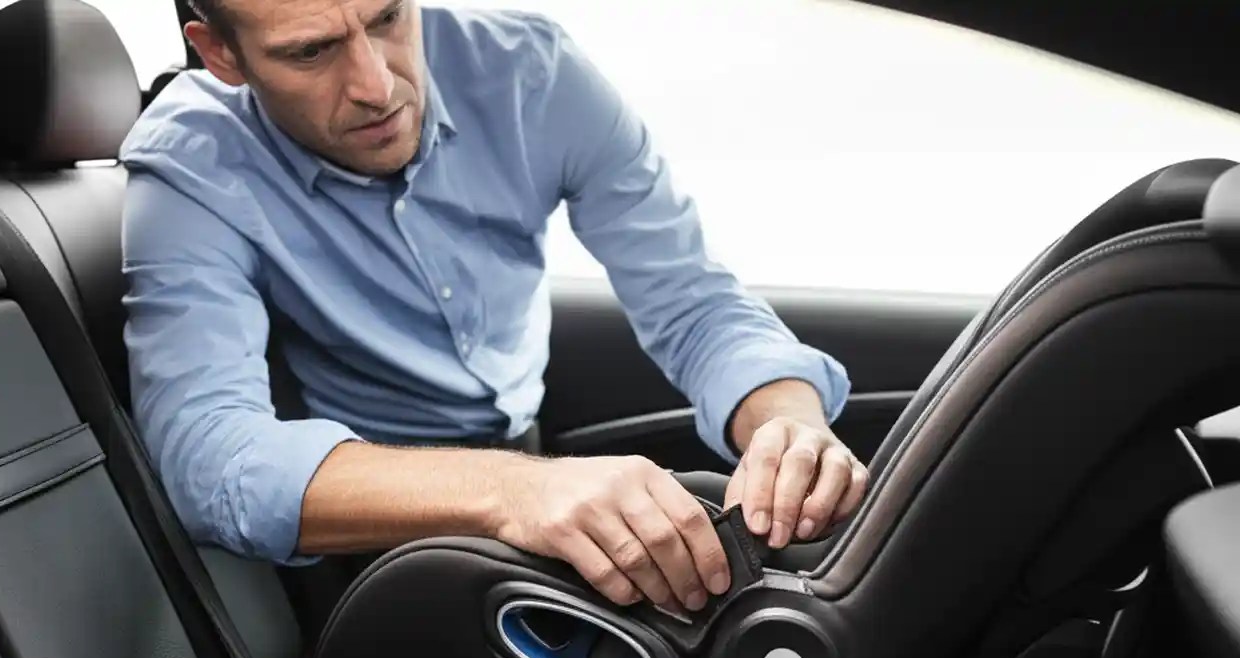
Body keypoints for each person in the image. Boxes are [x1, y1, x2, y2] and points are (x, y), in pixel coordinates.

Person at [119, 0, 867, 616]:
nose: (377, 85)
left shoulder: (531, 74)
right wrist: (516, 489)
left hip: (536, 459)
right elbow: (212, 459)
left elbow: (694, 300)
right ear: (220, 53)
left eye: (386, 18)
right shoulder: (193, 161)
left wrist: (788, 424)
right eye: (311, 52)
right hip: (368, 542)